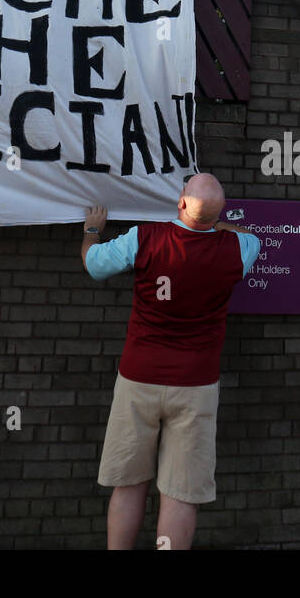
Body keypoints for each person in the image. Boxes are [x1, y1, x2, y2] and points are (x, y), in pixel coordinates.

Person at [82, 173, 260, 549]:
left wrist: (92, 232)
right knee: (180, 494)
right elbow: (244, 234)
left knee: (129, 485)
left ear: (180, 204)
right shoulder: (240, 250)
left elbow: (95, 266)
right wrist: (211, 220)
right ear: (218, 212)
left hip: (138, 380)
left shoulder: (144, 237)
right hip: (196, 387)